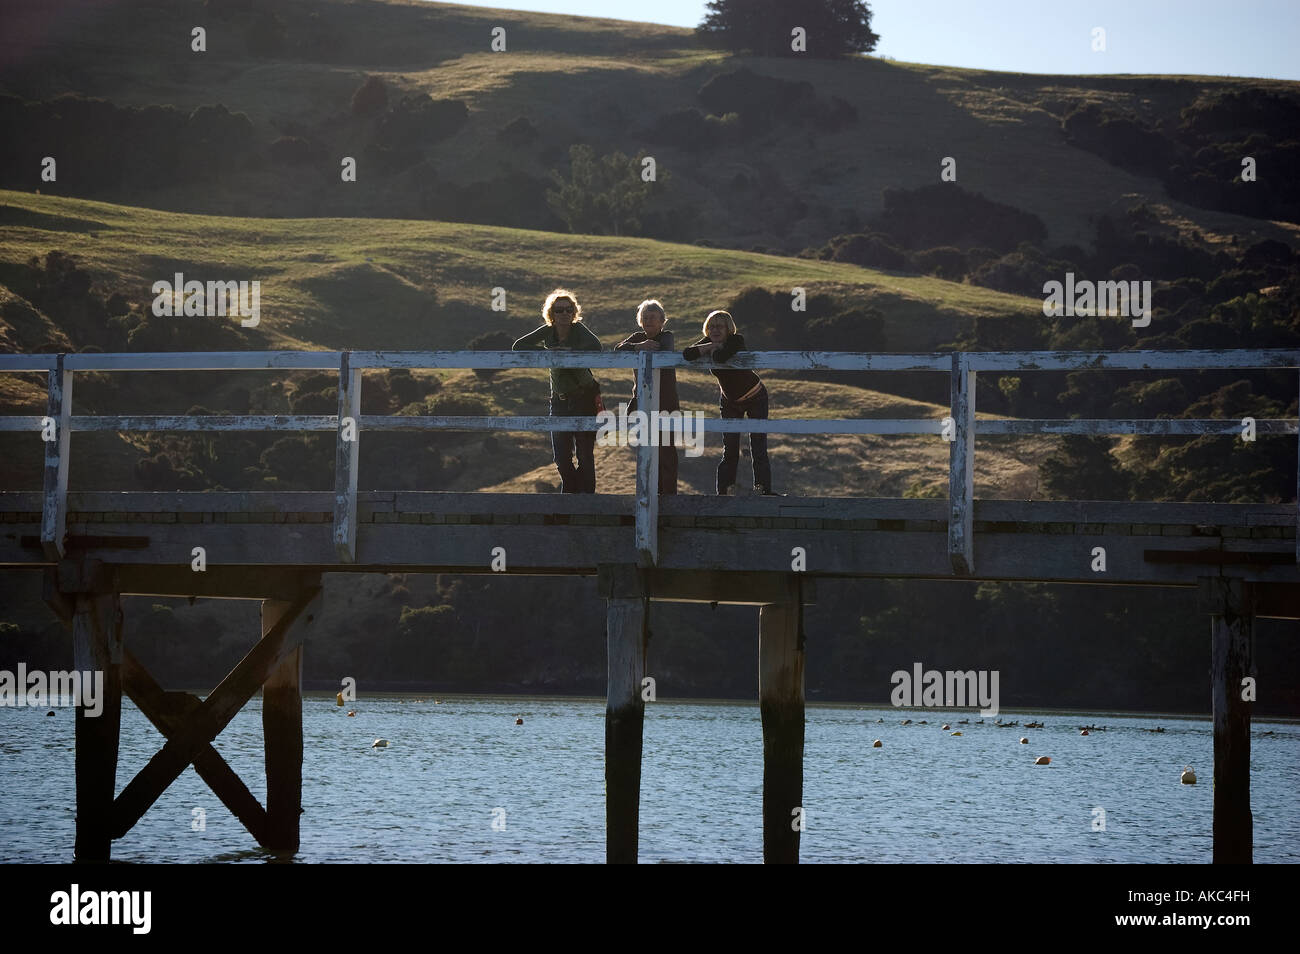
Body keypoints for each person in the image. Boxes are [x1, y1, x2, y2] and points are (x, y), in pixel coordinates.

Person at [512, 289, 603, 493]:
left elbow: (597, 347)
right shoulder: (548, 331)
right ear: (551, 313)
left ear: (574, 312)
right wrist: (547, 353)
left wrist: (571, 352)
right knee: (561, 457)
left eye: (568, 310)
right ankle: (570, 498)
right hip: (559, 402)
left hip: (584, 399)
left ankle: (586, 503)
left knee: (585, 456)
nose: (564, 314)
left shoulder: (578, 329)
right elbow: (518, 346)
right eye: (559, 310)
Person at [682, 309, 775, 495]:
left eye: (720, 326)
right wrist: (709, 347)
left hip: (755, 396)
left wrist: (711, 350)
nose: (715, 330)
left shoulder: (736, 340)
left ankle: (763, 491)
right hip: (730, 401)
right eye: (711, 326)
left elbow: (721, 358)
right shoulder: (709, 342)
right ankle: (724, 493)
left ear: (728, 329)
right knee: (730, 449)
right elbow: (687, 354)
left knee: (758, 446)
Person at [614, 298, 679, 495]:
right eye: (645, 317)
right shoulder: (636, 338)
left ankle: (668, 495)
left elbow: (664, 351)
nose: (648, 320)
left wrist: (642, 348)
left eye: (653, 317)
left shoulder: (666, 336)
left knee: (666, 450)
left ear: (662, 321)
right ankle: (649, 494)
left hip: (666, 401)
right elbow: (618, 350)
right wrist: (637, 347)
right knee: (647, 450)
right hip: (642, 401)